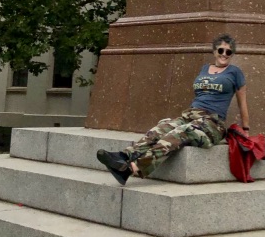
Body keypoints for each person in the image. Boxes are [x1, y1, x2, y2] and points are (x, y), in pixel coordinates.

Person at [96, 34, 249, 185]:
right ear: (214, 51)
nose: (224, 54)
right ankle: (123, 156)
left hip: (212, 123)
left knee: (179, 133)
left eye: (228, 52)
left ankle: (132, 169)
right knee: (159, 129)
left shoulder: (234, 72)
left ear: (232, 54)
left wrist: (246, 130)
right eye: (221, 50)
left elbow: (243, 103)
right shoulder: (205, 69)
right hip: (190, 115)